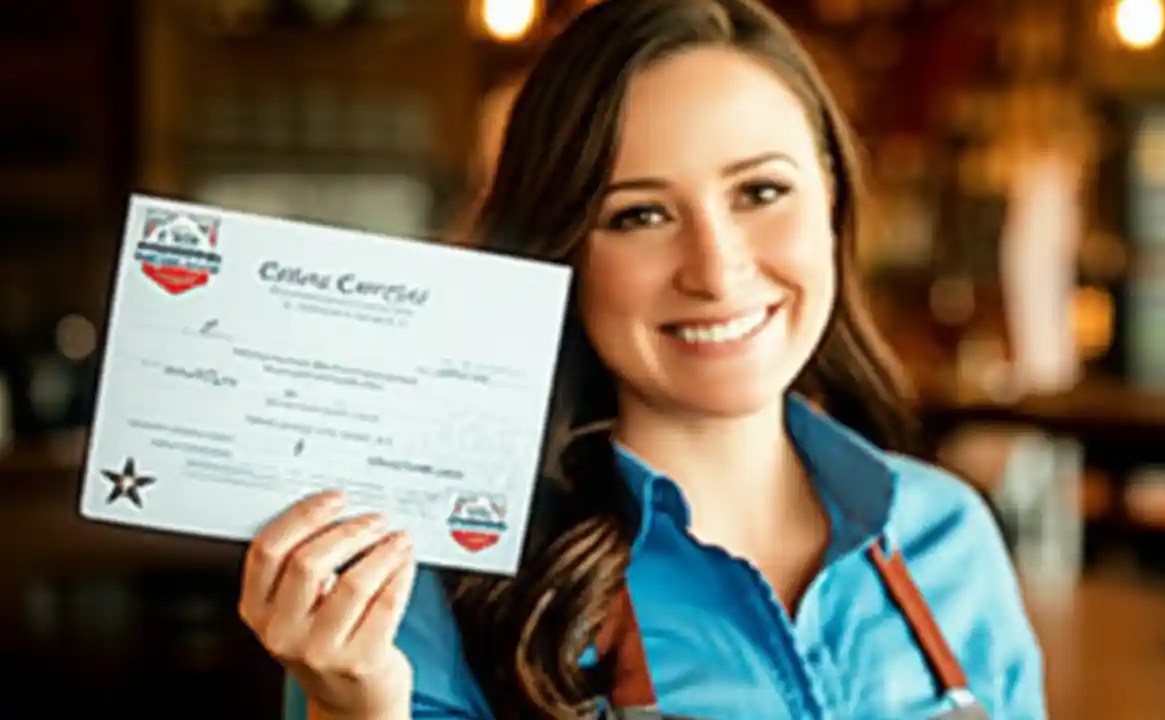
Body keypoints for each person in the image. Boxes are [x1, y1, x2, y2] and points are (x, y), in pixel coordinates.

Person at [237, 0, 1046, 717]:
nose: (716, 268)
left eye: (760, 192)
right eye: (640, 215)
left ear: (831, 198)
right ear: (563, 253)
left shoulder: (949, 537)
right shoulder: (434, 594)